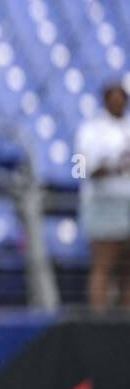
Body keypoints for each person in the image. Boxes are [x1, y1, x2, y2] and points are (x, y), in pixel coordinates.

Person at [75, 82, 130, 310]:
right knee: (103, 264)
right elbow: (77, 169)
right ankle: (100, 319)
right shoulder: (89, 131)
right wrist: (109, 168)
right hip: (102, 205)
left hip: (128, 203)